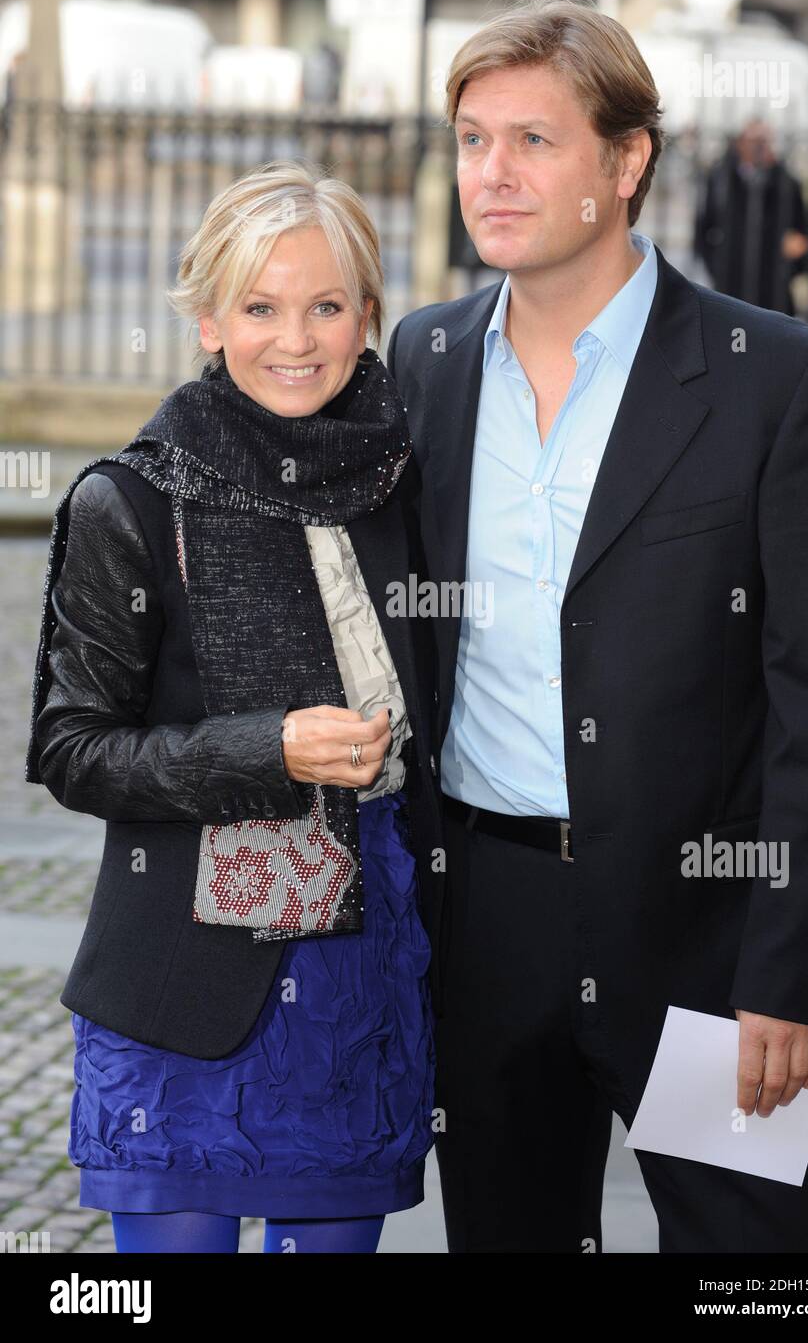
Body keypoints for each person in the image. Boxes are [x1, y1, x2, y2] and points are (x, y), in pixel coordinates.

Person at [387, 0, 808, 1253]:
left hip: (708, 943)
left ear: (626, 160)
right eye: (473, 138)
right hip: (485, 927)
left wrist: (796, 975)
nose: (490, 175)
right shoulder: (425, 361)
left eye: (534, 142)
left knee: (757, 1273)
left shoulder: (779, 379)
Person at [25, 159, 442, 1254]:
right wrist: (274, 748)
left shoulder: (405, 488)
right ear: (209, 318)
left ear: (368, 316)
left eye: (325, 305)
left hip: (358, 975)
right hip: (180, 988)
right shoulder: (129, 499)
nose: (293, 338)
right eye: (259, 306)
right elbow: (73, 749)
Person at [695, 118, 808, 316]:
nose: (758, 147)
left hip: (773, 288)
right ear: (741, 143)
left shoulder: (787, 184)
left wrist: (788, 268)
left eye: (763, 141)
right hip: (730, 285)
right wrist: (717, 267)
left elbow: (803, 235)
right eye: (753, 140)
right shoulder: (721, 180)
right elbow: (703, 228)